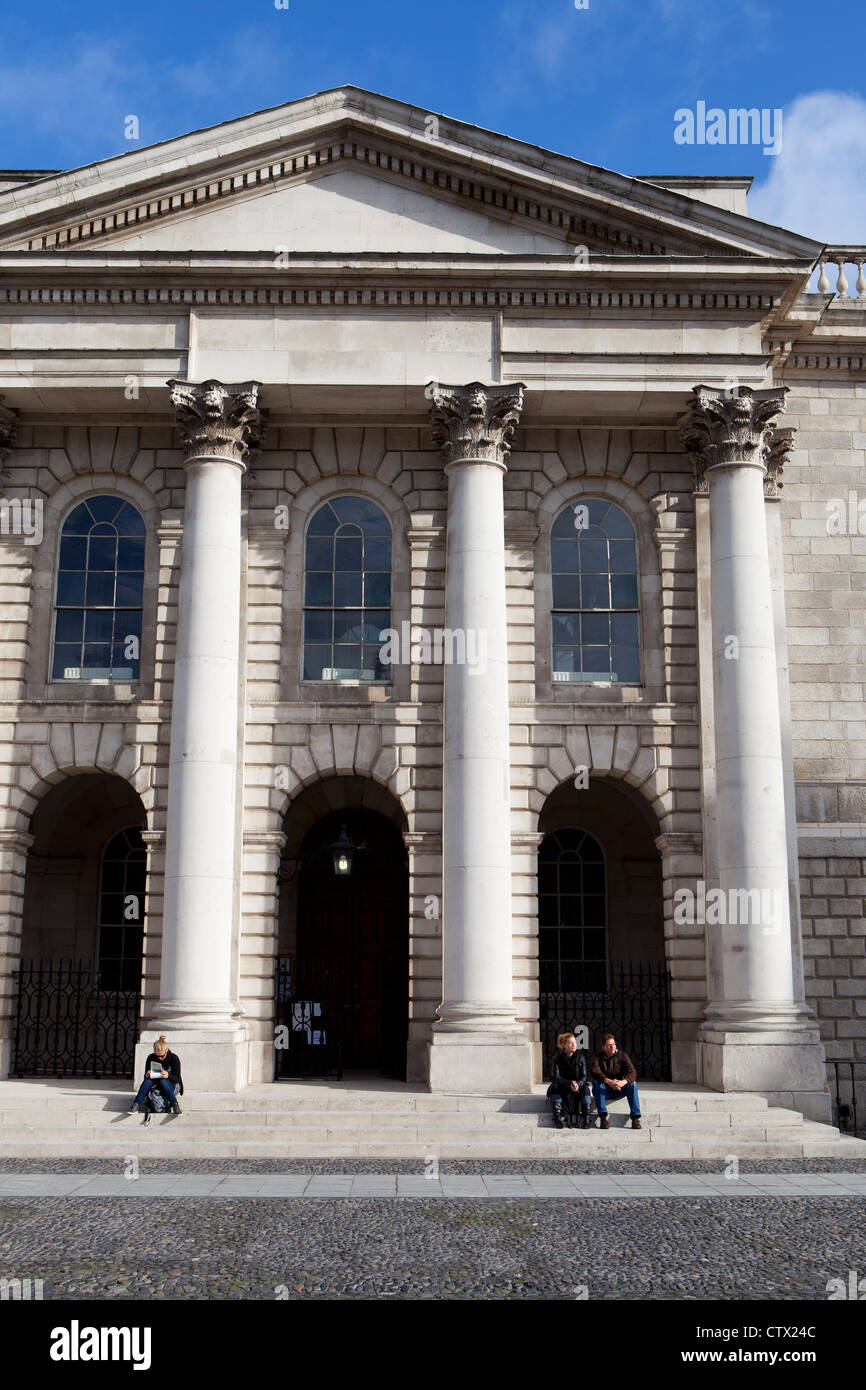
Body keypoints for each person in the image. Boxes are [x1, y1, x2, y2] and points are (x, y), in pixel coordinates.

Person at [590, 1032, 641, 1129]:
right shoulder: (597, 1057)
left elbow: (632, 1072)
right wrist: (609, 1081)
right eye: (609, 1045)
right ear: (603, 1047)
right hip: (605, 1089)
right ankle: (603, 1118)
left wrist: (623, 1082)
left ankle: (635, 1118)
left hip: (619, 1088)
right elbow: (595, 1071)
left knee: (632, 1084)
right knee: (597, 1083)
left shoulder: (622, 1055)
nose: (612, 1047)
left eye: (613, 1044)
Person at [127, 1035, 183, 1116]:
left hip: (172, 1084)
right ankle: (136, 1104)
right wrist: (147, 1074)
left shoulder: (174, 1058)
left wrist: (168, 1075)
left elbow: (177, 1078)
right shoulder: (151, 1057)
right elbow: (145, 1076)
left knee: (162, 1079)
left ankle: (175, 1104)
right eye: (157, 1056)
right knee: (147, 1080)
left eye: (162, 1056)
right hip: (155, 1083)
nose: (160, 1058)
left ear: (166, 1050)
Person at [546, 1031, 591, 1129]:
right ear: (564, 1045)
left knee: (586, 1089)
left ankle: (585, 1119)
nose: (574, 1044)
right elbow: (556, 1077)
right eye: (570, 1043)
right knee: (555, 1087)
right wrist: (570, 1083)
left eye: (574, 1042)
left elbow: (584, 1077)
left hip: (577, 1086)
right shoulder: (557, 1059)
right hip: (563, 1085)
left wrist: (577, 1084)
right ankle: (557, 1118)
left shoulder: (580, 1057)